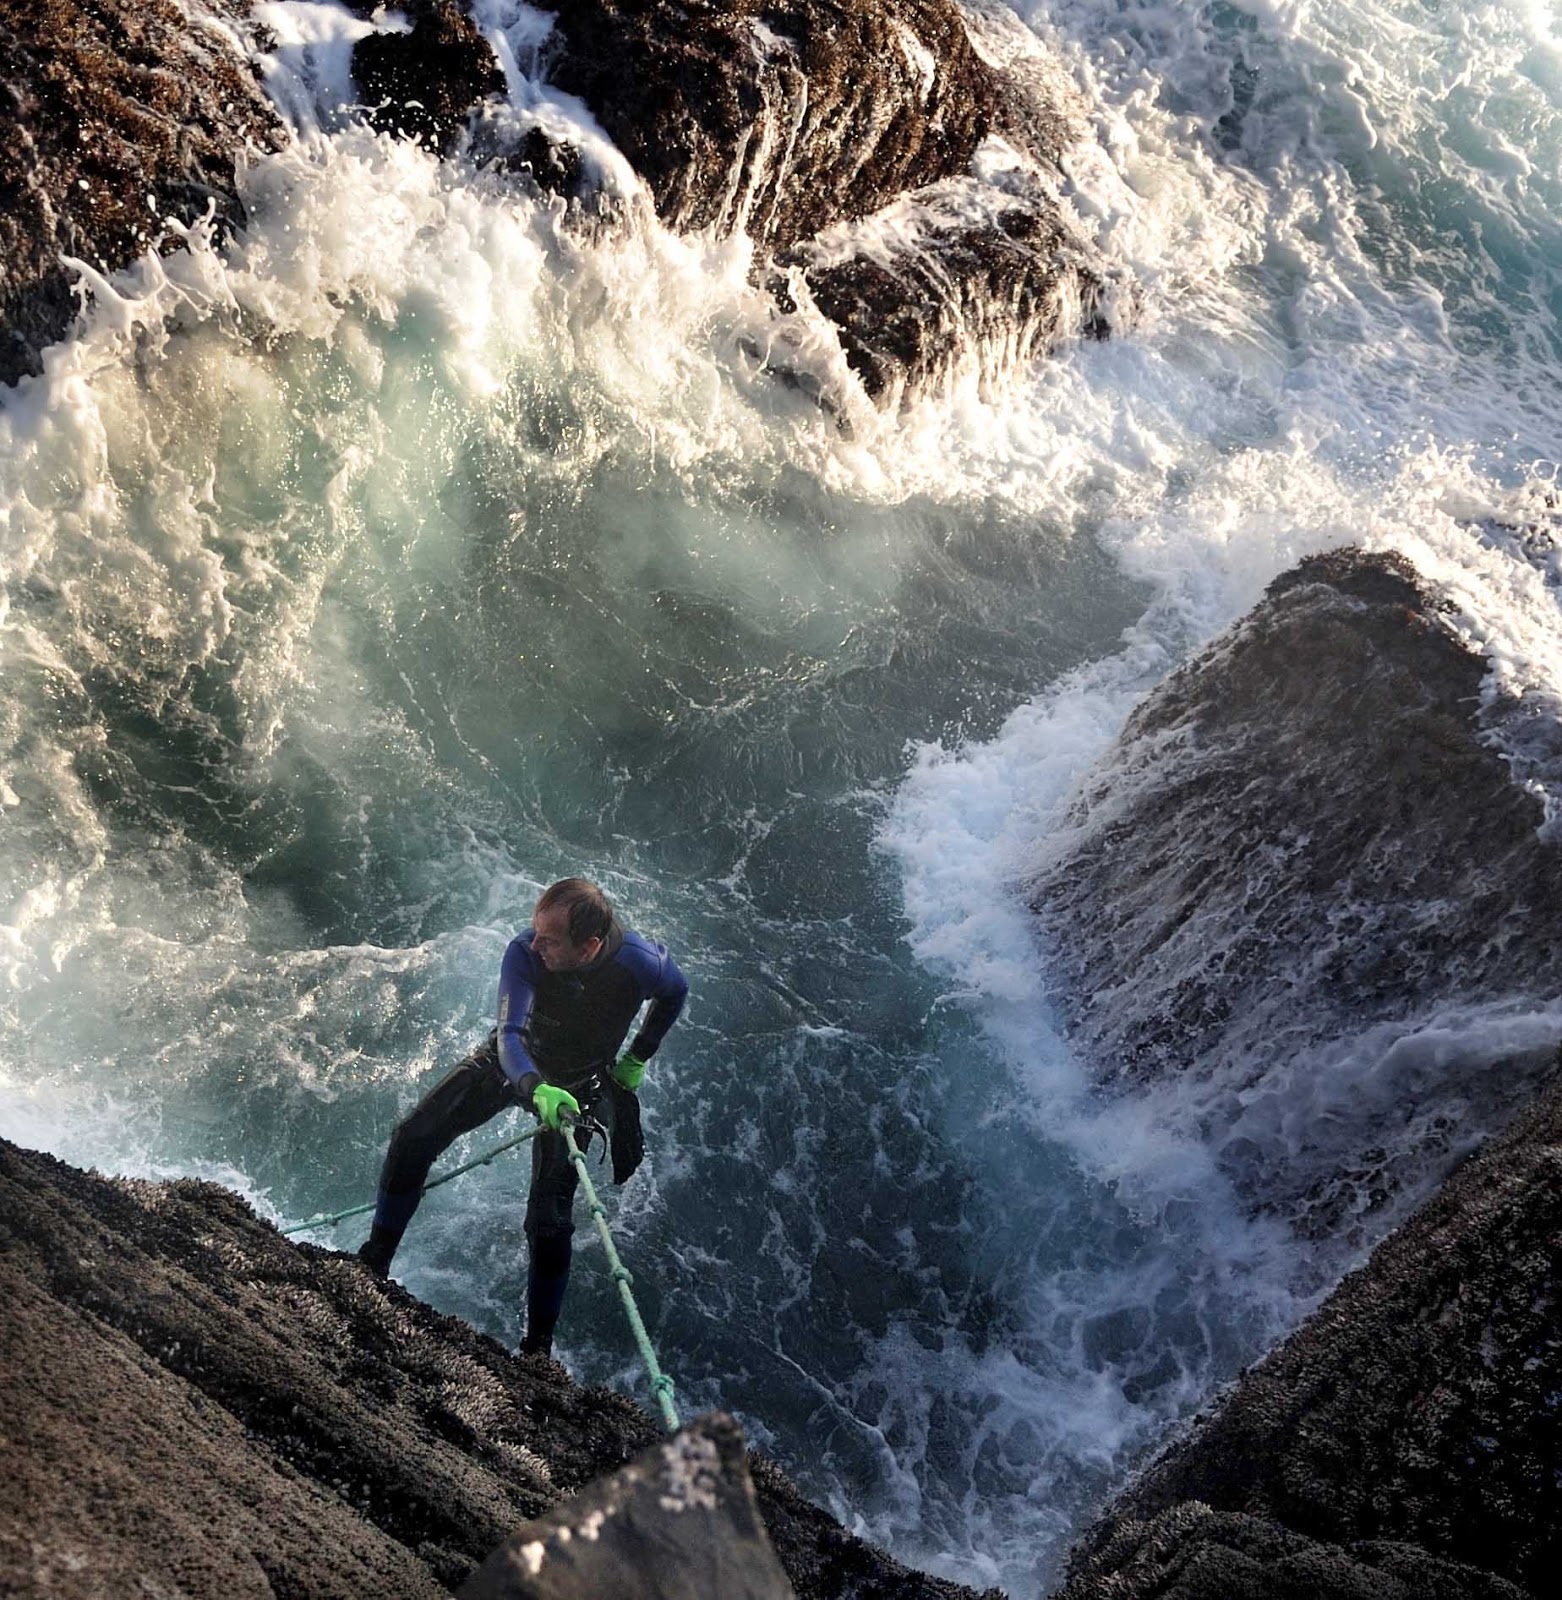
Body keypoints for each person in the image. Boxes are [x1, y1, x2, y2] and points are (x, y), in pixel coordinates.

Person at [357, 877, 689, 1356]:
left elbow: (676, 992)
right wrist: (535, 1088)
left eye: (550, 939)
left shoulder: (640, 963)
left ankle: (537, 1353)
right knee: (413, 1137)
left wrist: (638, 1057)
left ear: (590, 946)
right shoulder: (523, 953)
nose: (536, 945)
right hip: (514, 1066)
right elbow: (509, 1035)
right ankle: (373, 1264)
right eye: (537, 932)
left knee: (548, 1222)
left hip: (576, 1089)